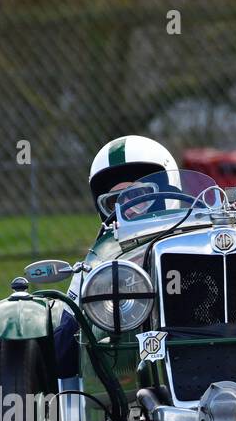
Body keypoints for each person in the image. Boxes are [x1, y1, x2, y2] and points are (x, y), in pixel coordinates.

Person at [53, 135, 180, 378]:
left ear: (167, 190)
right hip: (129, 379)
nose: (129, 209)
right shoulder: (100, 259)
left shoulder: (195, 245)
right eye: (115, 202)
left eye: (141, 196)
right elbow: (63, 356)